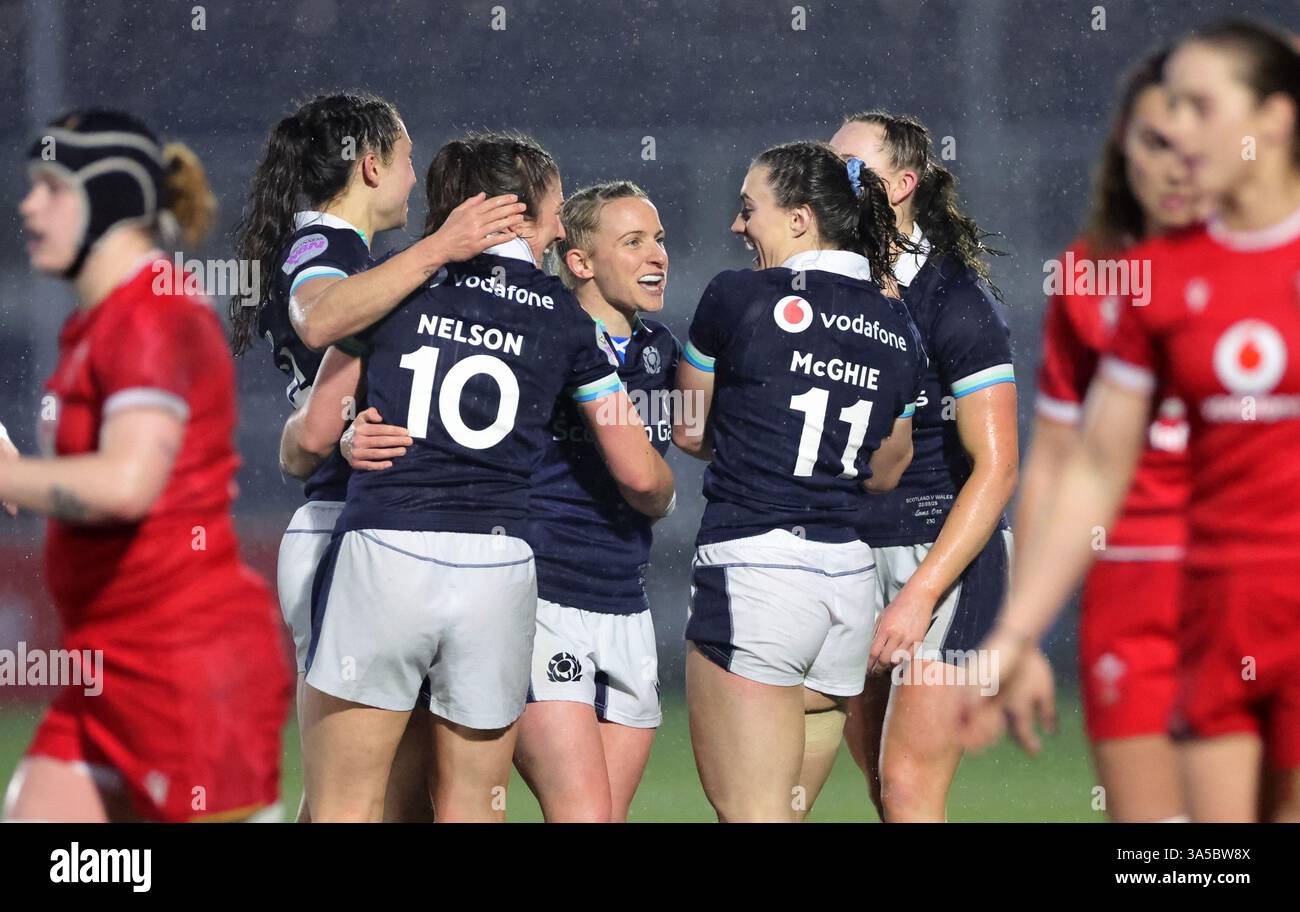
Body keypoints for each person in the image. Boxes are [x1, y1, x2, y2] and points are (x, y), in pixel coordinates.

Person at [963, 19, 1300, 824]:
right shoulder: (1147, 279)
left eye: (1198, 106)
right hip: (1208, 601)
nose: (1176, 132)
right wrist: (1016, 636)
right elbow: (1089, 468)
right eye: (1161, 116)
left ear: (1274, 119)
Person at [302, 132, 675, 823]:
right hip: (498, 568)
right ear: (515, 214)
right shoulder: (564, 316)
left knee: (347, 805)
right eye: (555, 210)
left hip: (389, 546)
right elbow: (638, 472)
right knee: (474, 805)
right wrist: (667, 485)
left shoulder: (396, 284)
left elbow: (310, 427)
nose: (561, 225)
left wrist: (340, 439)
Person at [2, 110, 290, 822]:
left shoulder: (151, 316)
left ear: (109, 199)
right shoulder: (102, 319)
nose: (26, 204)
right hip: (107, 663)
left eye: (51, 187)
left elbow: (127, 487)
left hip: (185, 671)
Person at [674, 140, 924, 822]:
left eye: (749, 208)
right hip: (845, 584)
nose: (737, 225)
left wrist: (763, 438)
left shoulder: (736, 295)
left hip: (755, 568)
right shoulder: (897, 321)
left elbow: (688, 428)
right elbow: (887, 468)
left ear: (800, 219)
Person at [1016, 49, 1200, 822]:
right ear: (1125, 145)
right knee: (1157, 850)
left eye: (1196, 145)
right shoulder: (1091, 278)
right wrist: (1021, 633)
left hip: (1254, 579)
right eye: (1156, 142)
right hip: (1129, 582)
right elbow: (1056, 464)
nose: (1177, 166)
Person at [829, 112, 1018, 822]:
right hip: (853, 550)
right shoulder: (827, 287)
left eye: (851, 166)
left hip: (947, 560)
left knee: (909, 787)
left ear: (902, 185)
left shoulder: (956, 299)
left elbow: (997, 471)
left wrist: (918, 594)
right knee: (884, 790)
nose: (830, 179)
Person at [514, 181, 677, 822]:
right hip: (545, 593)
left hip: (625, 600)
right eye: (633, 242)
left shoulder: (660, 347)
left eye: (658, 239)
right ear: (579, 261)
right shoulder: (540, 329)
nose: (656, 255)